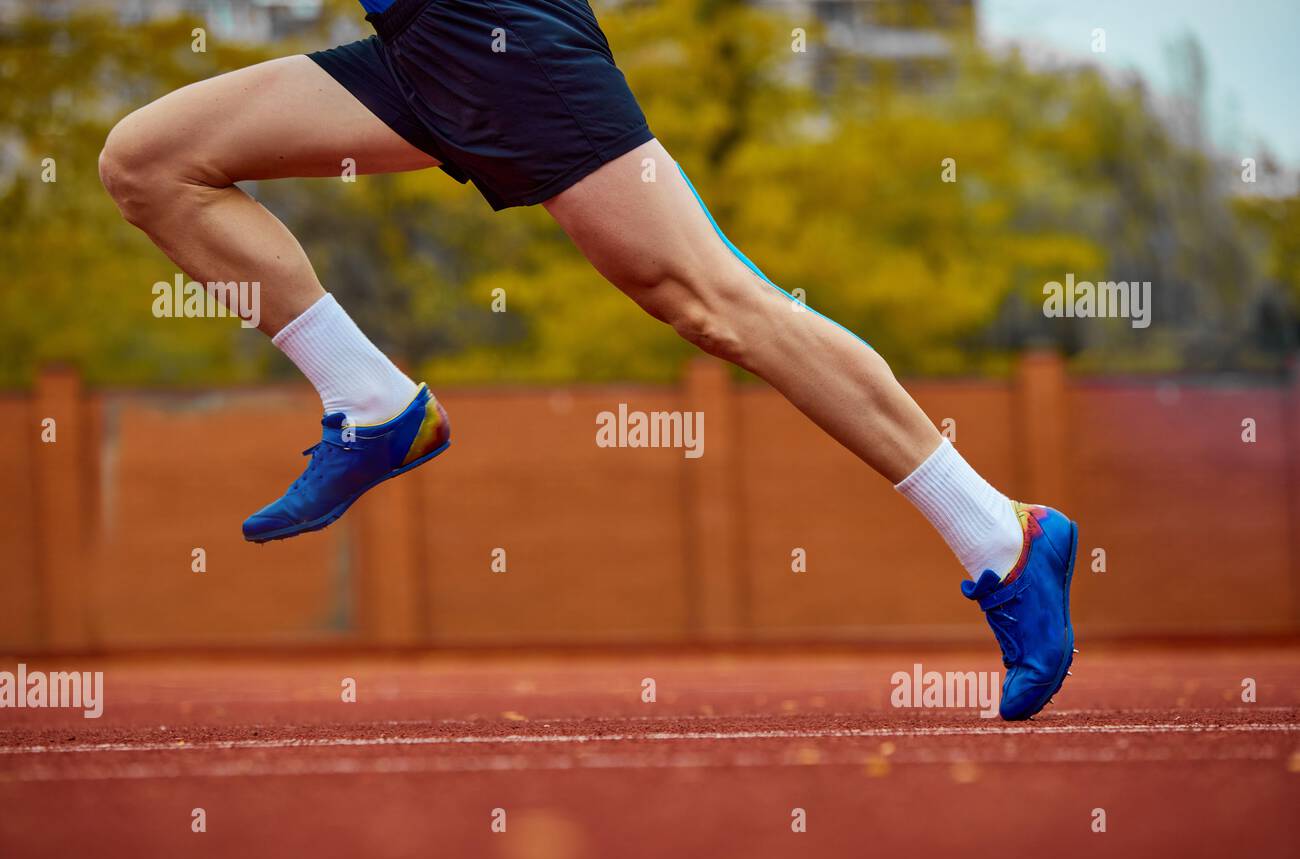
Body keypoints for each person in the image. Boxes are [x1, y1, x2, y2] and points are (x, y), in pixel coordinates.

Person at [97, 0, 1076, 719]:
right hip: (419, 51)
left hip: (498, 32)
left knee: (713, 303)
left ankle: (999, 536)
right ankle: (371, 404)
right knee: (149, 161)